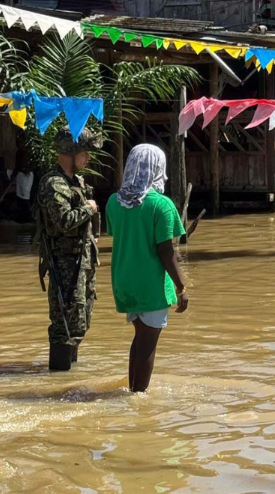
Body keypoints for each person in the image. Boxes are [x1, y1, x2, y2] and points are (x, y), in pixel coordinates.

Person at [106, 144, 189, 392]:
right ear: (158, 169)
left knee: (139, 339)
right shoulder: (161, 205)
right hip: (151, 285)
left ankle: (132, 389)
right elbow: (166, 251)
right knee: (148, 343)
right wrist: (181, 286)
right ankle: (138, 399)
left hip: (124, 282)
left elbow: (119, 235)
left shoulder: (113, 202)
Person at [36, 127, 102, 371]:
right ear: (70, 152)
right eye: (85, 153)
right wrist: (90, 209)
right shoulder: (54, 184)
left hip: (81, 263)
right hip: (65, 266)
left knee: (80, 322)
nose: (88, 158)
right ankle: (59, 378)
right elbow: (62, 222)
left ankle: (69, 377)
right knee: (64, 325)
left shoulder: (75, 181)